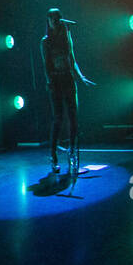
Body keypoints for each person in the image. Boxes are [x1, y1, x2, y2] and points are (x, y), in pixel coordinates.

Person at [40, 9, 95, 174]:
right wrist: (50, 81)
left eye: (58, 18)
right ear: (48, 20)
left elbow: (72, 58)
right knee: (58, 118)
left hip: (69, 79)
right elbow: (46, 65)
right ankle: (54, 157)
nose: (56, 21)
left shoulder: (65, 36)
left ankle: (72, 153)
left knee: (73, 119)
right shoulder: (45, 41)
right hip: (56, 81)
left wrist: (81, 76)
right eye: (52, 18)